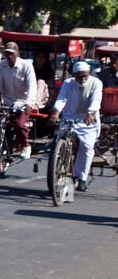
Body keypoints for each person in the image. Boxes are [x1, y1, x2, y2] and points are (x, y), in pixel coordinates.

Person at [51, 60, 103, 193]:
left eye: (85, 75)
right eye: (79, 76)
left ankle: (82, 178)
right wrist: (56, 112)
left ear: (89, 73)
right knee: (59, 139)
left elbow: (96, 99)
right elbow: (62, 98)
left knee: (86, 147)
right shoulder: (68, 83)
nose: (83, 78)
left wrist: (91, 112)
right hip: (70, 117)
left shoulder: (96, 83)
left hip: (88, 119)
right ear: (74, 75)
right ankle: (59, 167)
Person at [0, 41, 37, 160]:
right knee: (3, 124)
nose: (9, 56)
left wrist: (29, 103)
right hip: (8, 101)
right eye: (7, 53)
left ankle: (26, 146)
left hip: (24, 101)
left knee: (20, 125)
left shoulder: (26, 66)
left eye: (12, 54)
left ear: (17, 54)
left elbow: (32, 86)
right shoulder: (1, 66)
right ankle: (2, 149)